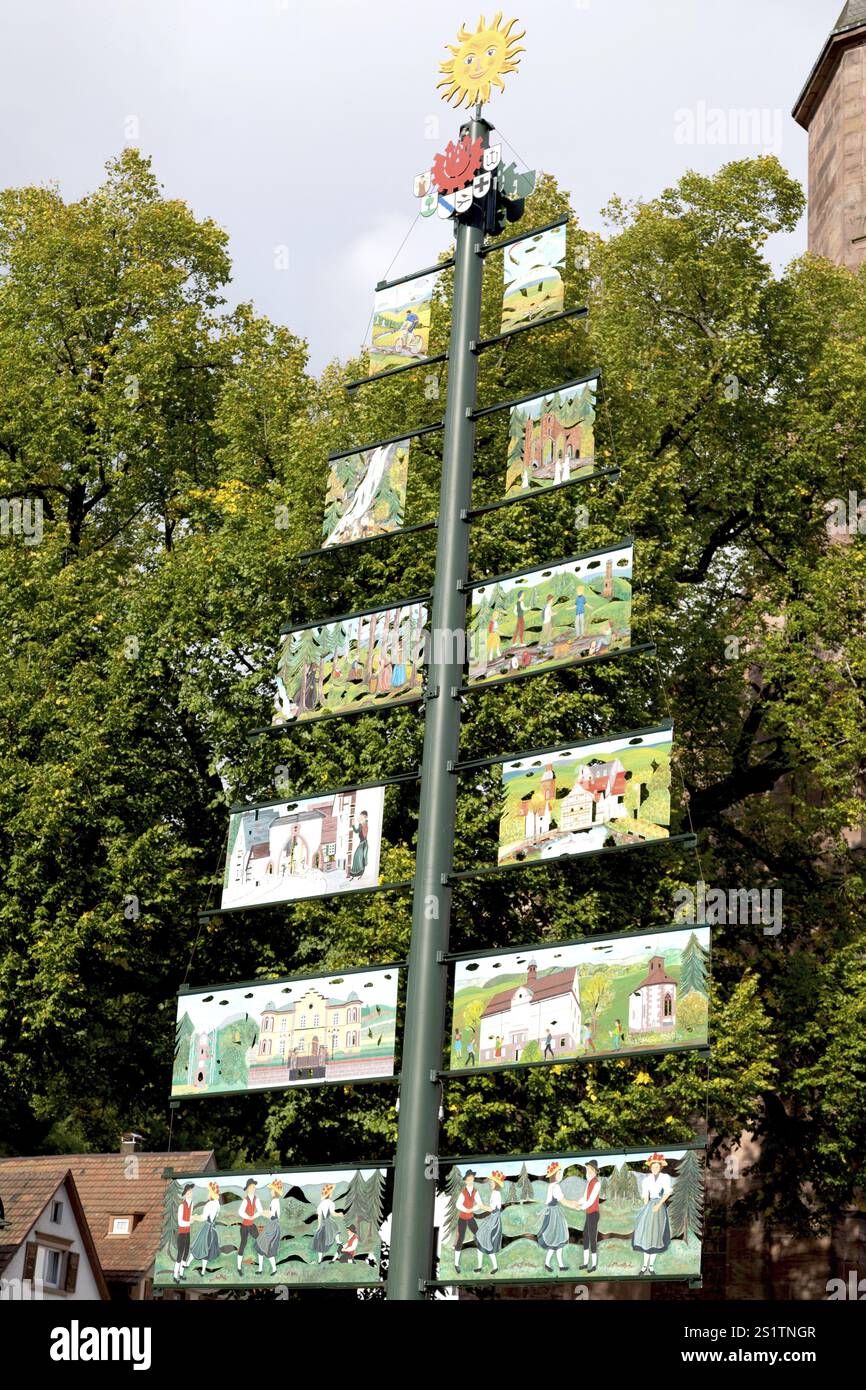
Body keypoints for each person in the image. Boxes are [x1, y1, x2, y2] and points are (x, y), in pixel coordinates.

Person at [538, 1161, 583, 1272]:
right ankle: (551, 1263)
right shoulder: (556, 1187)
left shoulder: (551, 1186)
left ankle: (558, 1264)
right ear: (554, 1175)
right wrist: (574, 1205)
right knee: (556, 1240)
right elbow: (563, 1201)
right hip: (554, 1215)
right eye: (558, 1173)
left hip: (552, 1213)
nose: (560, 1175)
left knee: (556, 1241)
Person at [632, 1154, 673, 1275]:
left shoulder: (665, 1178)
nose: (655, 1168)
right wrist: (646, 1209)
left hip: (659, 1207)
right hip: (650, 1206)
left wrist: (659, 1204)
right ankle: (644, 1266)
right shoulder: (647, 1180)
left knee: (656, 1235)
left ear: (660, 1167)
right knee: (646, 1235)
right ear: (650, 1167)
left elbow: (667, 1193)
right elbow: (646, 1196)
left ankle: (651, 1266)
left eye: (657, 1166)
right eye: (653, 1166)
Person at [453, 1170, 487, 1272]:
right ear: (466, 1181)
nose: (470, 1181)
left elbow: (480, 1204)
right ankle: (456, 1264)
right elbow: (458, 1205)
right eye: (468, 1179)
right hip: (463, 1218)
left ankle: (479, 1265)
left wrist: (474, 1209)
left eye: (472, 1179)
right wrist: (466, 1209)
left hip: (470, 1217)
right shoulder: (463, 1192)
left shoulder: (475, 1191)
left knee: (479, 1238)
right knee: (460, 1239)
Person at [474, 1171, 505, 1273]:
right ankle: (479, 1266)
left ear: (496, 1183)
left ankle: (495, 1267)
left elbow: (493, 1209)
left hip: (494, 1220)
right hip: (492, 1218)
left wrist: (481, 1206)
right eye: (490, 1182)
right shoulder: (494, 1193)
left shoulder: (496, 1194)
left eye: (492, 1182)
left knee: (486, 1242)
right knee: (481, 1239)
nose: (490, 1184)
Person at [190, 1181, 221, 1276]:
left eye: (209, 1192)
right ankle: (203, 1271)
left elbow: (203, 1218)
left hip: (207, 1229)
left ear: (211, 1194)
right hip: (213, 1230)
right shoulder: (217, 1204)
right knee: (207, 1250)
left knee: (197, 1246)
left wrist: (193, 1217)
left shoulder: (210, 1204)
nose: (208, 1194)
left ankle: (187, 1264)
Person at [236, 1179, 264, 1275]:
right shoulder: (245, 1200)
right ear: (247, 1189)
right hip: (244, 1226)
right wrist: (248, 1216)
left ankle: (260, 1268)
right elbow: (240, 1212)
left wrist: (254, 1216)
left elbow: (260, 1211)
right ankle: (239, 1268)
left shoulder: (256, 1199)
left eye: (254, 1187)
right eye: (251, 1187)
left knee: (259, 1242)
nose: (253, 1189)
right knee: (243, 1245)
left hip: (252, 1225)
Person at [256, 1179, 283, 1276]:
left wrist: (262, 1212)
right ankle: (260, 1268)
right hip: (272, 1225)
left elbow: (272, 1215)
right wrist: (263, 1212)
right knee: (261, 1245)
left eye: (272, 1190)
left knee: (265, 1247)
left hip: (273, 1226)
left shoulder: (275, 1201)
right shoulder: (274, 1201)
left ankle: (272, 1269)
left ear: (275, 1191)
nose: (271, 1192)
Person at [578, 1162, 601, 1272]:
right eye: (587, 1170)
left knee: (592, 1238)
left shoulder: (596, 1183)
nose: (588, 1172)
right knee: (586, 1237)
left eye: (590, 1170)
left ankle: (594, 1265)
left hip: (594, 1213)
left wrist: (581, 1207)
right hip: (588, 1213)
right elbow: (584, 1197)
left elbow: (591, 1200)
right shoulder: (589, 1183)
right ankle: (585, 1263)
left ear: (594, 1171)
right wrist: (577, 1203)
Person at [173, 1182, 195, 1282]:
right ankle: (175, 1275)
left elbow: (189, 1217)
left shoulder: (192, 1204)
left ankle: (181, 1274)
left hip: (188, 1231)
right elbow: (180, 1222)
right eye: (189, 1192)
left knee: (186, 1252)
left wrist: (193, 1218)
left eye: (191, 1192)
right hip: (182, 1232)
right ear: (185, 1193)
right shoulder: (182, 1206)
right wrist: (189, 1221)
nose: (190, 1194)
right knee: (180, 1253)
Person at [313, 1183, 339, 1262]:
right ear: (329, 1194)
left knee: (320, 1241)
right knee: (335, 1228)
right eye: (331, 1193)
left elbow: (319, 1216)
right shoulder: (331, 1203)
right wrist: (340, 1214)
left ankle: (320, 1259)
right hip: (328, 1221)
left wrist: (319, 1225)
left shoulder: (321, 1204)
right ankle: (337, 1241)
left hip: (323, 1223)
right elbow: (333, 1213)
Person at [347, 810, 369, 879]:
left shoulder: (363, 824)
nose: (360, 818)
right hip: (362, 843)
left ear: (364, 817)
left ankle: (359, 872)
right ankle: (357, 873)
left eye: (361, 816)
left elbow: (356, 831)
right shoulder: (364, 823)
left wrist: (353, 824)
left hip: (363, 843)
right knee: (358, 857)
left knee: (358, 857)